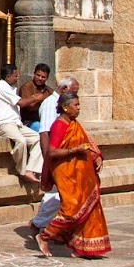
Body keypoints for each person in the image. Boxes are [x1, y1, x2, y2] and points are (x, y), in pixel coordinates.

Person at [32, 91, 109, 258]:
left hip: (80, 171)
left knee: (88, 206)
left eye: (79, 105)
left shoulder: (75, 124)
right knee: (72, 209)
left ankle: (81, 246)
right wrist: (75, 150)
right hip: (65, 170)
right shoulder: (59, 125)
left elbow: (87, 143)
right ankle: (44, 236)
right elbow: (51, 152)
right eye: (76, 105)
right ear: (65, 107)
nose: (79, 108)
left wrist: (96, 157)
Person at [28, 76, 79, 234]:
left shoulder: (65, 108)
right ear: (64, 90)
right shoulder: (51, 104)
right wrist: (47, 159)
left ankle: (48, 226)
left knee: (59, 193)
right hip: (56, 156)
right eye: (73, 93)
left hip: (64, 157)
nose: (76, 99)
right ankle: (39, 224)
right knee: (55, 193)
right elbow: (45, 133)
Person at [0, 63, 42, 184]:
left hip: (15, 124)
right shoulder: (1, 86)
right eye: (16, 76)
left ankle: (31, 169)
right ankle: (22, 171)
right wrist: (35, 98)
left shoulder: (10, 88)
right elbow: (21, 103)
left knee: (37, 138)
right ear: (8, 77)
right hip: (3, 124)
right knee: (21, 141)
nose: (17, 78)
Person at [19, 64, 52, 131]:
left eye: (43, 77)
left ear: (47, 78)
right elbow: (29, 106)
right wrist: (38, 99)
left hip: (44, 121)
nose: (40, 79)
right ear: (34, 74)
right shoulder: (27, 87)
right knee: (41, 129)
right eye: (38, 75)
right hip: (29, 121)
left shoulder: (49, 90)